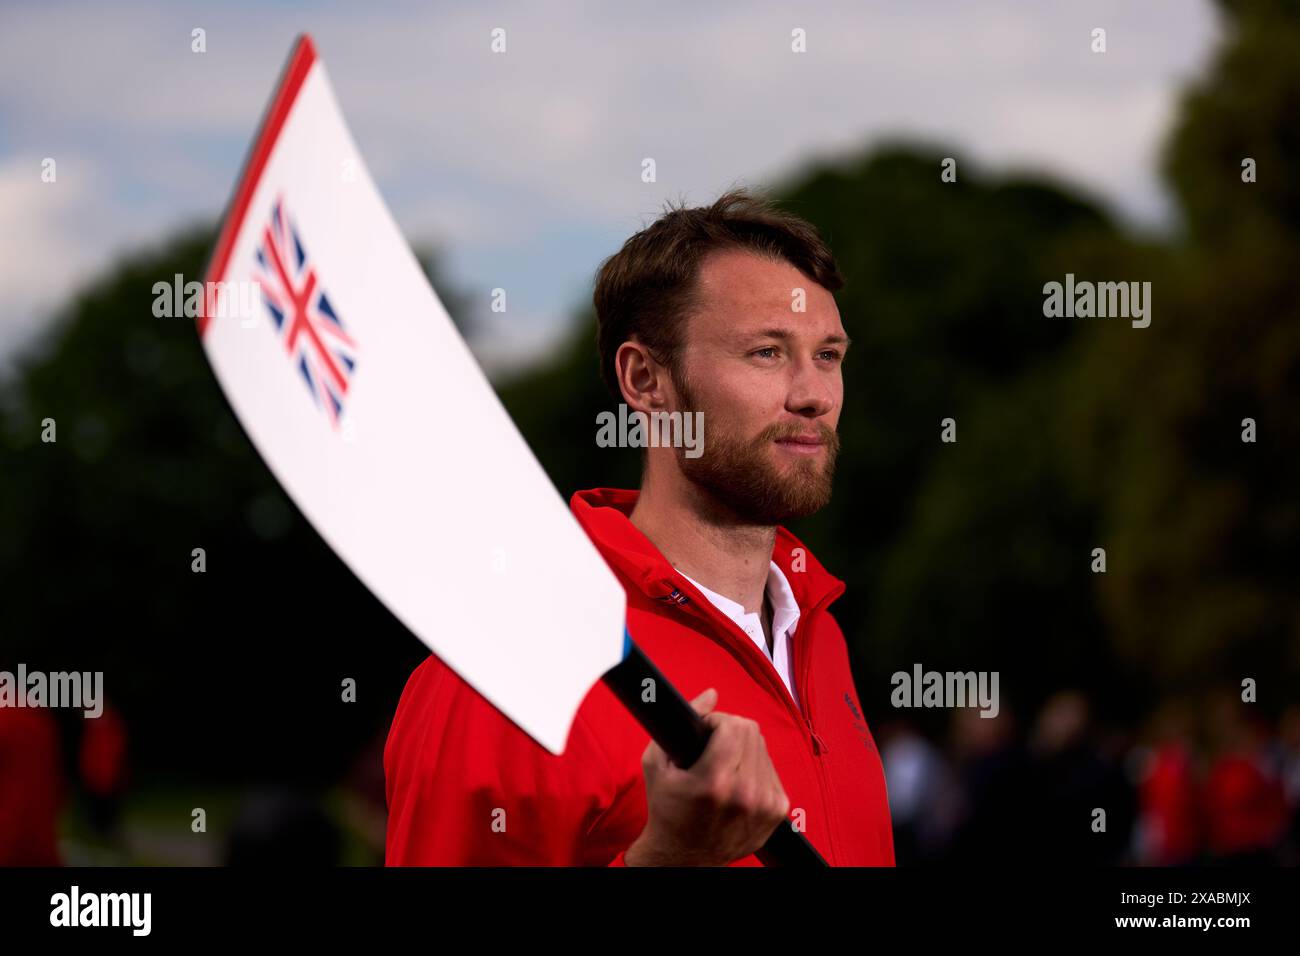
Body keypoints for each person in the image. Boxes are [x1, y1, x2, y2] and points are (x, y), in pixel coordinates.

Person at [384, 189, 894, 866]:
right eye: (768, 353)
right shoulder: (502, 668)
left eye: (828, 355)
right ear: (646, 379)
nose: (814, 394)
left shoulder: (815, 629)